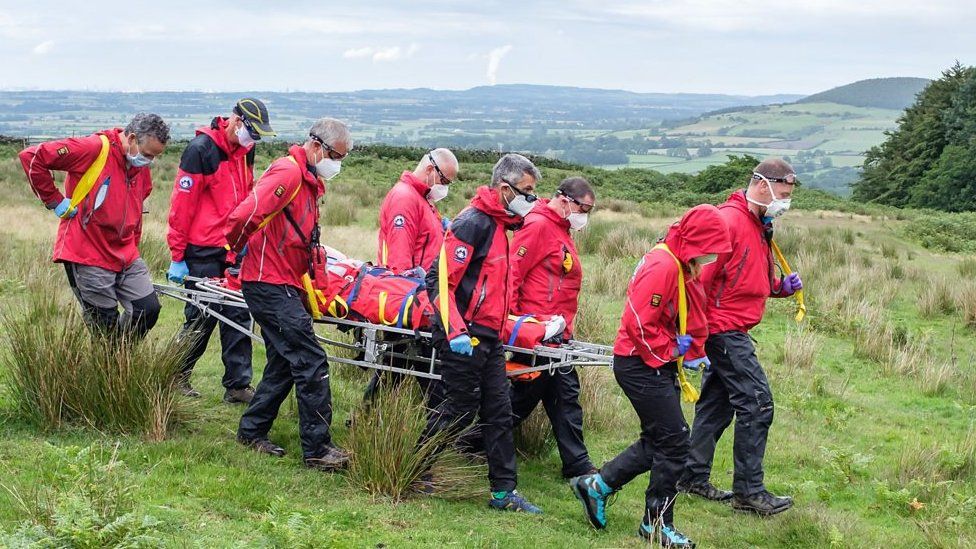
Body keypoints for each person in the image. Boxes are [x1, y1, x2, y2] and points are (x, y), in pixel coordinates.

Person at [571, 204, 731, 548]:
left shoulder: (679, 261)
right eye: (711, 248)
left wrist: (693, 349)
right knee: (675, 441)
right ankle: (656, 525)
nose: (712, 257)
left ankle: (596, 486)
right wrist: (673, 351)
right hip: (639, 363)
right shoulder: (663, 266)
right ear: (697, 240)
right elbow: (639, 324)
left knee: (660, 439)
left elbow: (686, 312)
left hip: (652, 361)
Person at [418, 153, 543, 513]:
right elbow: (437, 281)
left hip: (489, 337)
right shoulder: (473, 223)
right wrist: (456, 331)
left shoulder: (502, 224)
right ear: (506, 189)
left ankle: (504, 494)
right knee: (456, 409)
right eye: (528, 192)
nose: (531, 200)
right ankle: (415, 469)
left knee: (499, 412)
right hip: (464, 335)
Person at [677, 158, 803, 516]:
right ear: (762, 185)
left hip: (732, 326)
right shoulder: (729, 222)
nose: (785, 202)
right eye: (783, 194)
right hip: (722, 330)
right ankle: (748, 492)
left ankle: (691, 476)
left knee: (716, 406)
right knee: (758, 404)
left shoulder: (758, 224)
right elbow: (699, 284)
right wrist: (696, 342)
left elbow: (744, 279)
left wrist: (779, 288)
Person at [225, 118, 351, 471]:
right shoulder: (289, 174)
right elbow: (245, 214)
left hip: (284, 282)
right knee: (311, 361)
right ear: (316, 147)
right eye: (335, 156)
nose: (336, 164)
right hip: (268, 283)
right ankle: (318, 449)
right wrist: (231, 253)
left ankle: (252, 431)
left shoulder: (308, 181)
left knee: (285, 361)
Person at [19, 113, 170, 337]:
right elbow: (32, 157)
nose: (149, 161)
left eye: (154, 157)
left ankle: (122, 359)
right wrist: (55, 200)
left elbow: (137, 207)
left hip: (125, 254)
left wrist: (134, 245)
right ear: (131, 138)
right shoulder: (92, 149)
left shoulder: (139, 165)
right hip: (87, 251)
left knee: (147, 310)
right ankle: (112, 366)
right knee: (105, 328)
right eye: (147, 154)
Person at [166, 98, 276, 401]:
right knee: (202, 315)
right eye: (252, 132)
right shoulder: (200, 150)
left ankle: (238, 386)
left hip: (234, 247)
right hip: (201, 248)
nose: (253, 140)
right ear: (236, 122)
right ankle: (175, 374)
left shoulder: (246, 150)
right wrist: (178, 256)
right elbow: (181, 207)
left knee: (239, 313)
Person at [507, 176, 597, 479]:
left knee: (561, 397)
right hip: (537, 331)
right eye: (583, 207)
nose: (584, 215)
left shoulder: (560, 229)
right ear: (563, 199)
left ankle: (577, 465)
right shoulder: (538, 226)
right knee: (527, 397)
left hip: (556, 332)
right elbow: (512, 274)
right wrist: (516, 324)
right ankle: (473, 440)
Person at [361, 148, 458, 405]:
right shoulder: (405, 199)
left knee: (396, 366)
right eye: (445, 181)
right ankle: (442, 431)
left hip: (419, 299)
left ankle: (365, 417)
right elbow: (400, 261)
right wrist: (413, 304)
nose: (446, 188)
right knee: (427, 370)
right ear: (430, 170)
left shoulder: (422, 199)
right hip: (410, 302)